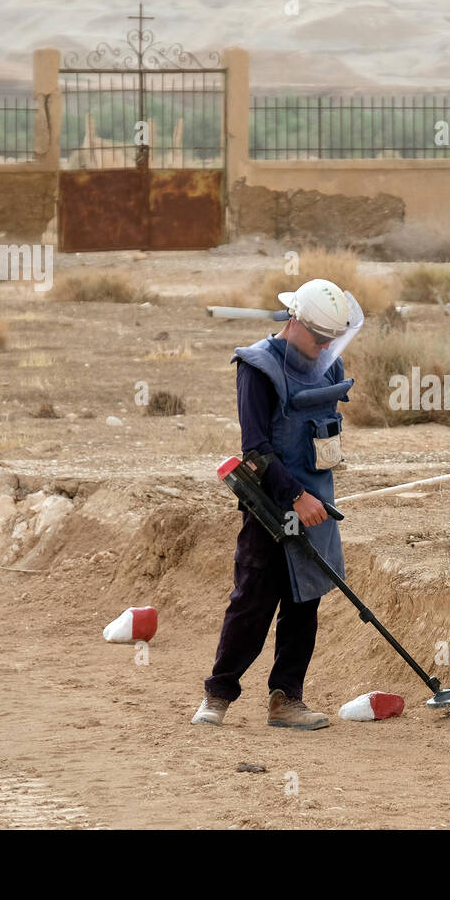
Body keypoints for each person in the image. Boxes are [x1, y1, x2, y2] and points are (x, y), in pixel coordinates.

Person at [192, 278, 363, 730]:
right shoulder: (257, 366)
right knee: (252, 601)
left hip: (316, 503)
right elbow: (256, 449)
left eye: (331, 340)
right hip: (270, 505)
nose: (324, 347)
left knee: (304, 602)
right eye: (319, 337)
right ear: (295, 321)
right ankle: (217, 696)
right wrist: (295, 496)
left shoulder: (329, 364)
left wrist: (313, 495)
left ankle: (286, 700)